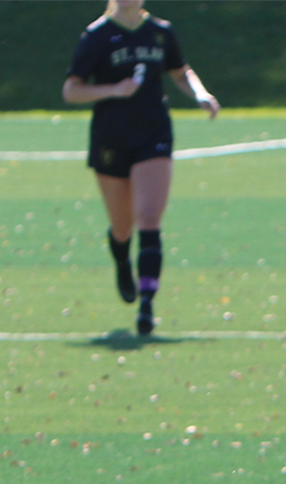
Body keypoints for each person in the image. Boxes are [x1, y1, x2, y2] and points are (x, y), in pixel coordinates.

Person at [62, 0, 218, 337]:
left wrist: (200, 94)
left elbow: (180, 70)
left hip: (153, 134)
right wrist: (114, 90)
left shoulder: (160, 32)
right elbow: (71, 90)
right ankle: (122, 261)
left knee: (149, 217)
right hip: (111, 138)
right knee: (122, 227)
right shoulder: (97, 35)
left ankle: (147, 305)